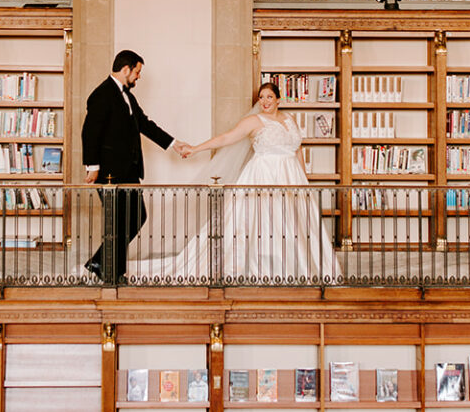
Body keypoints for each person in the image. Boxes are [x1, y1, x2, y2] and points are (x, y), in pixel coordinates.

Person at [167, 82, 340, 280]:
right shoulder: (253, 121)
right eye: (261, 97)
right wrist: (196, 148)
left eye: (269, 97)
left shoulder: (289, 119)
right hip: (264, 174)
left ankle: (293, 269)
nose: (264, 101)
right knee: (263, 222)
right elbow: (226, 138)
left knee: (293, 224)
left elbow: (297, 149)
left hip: (291, 176)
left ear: (278, 100)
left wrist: (303, 181)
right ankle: (263, 269)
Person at [81, 49, 186, 284]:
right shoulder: (101, 94)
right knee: (118, 222)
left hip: (129, 171)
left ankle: (99, 262)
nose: (138, 77)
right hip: (108, 173)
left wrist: (173, 144)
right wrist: (93, 166)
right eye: (137, 72)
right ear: (126, 69)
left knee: (136, 217)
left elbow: (145, 125)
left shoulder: (128, 96)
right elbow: (90, 133)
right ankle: (113, 273)